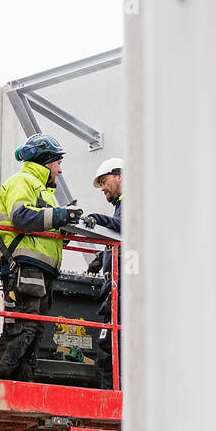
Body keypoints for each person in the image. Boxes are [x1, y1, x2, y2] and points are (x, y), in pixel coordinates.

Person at [0, 133, 81, 381]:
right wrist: (61, 216)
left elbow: (42, 228)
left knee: (35, 331)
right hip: (23, 268)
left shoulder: (43, 191)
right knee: (22, 330)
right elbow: (21, 218)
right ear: (47, 161)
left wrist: (65, 228)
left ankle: (21, 385)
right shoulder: (22, 181)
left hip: (40, 271)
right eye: (58, 163)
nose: (60, 171)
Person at [84, 158, 123, 388]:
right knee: (108, 349)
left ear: (120, 176)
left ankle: (116, 395)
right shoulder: (121, 207)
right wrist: (101, 259)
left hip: (125, 290)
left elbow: (127, 227)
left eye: (104, 181)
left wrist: (98, 221)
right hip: (115, 293)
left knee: (117, 346)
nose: (103, 188)